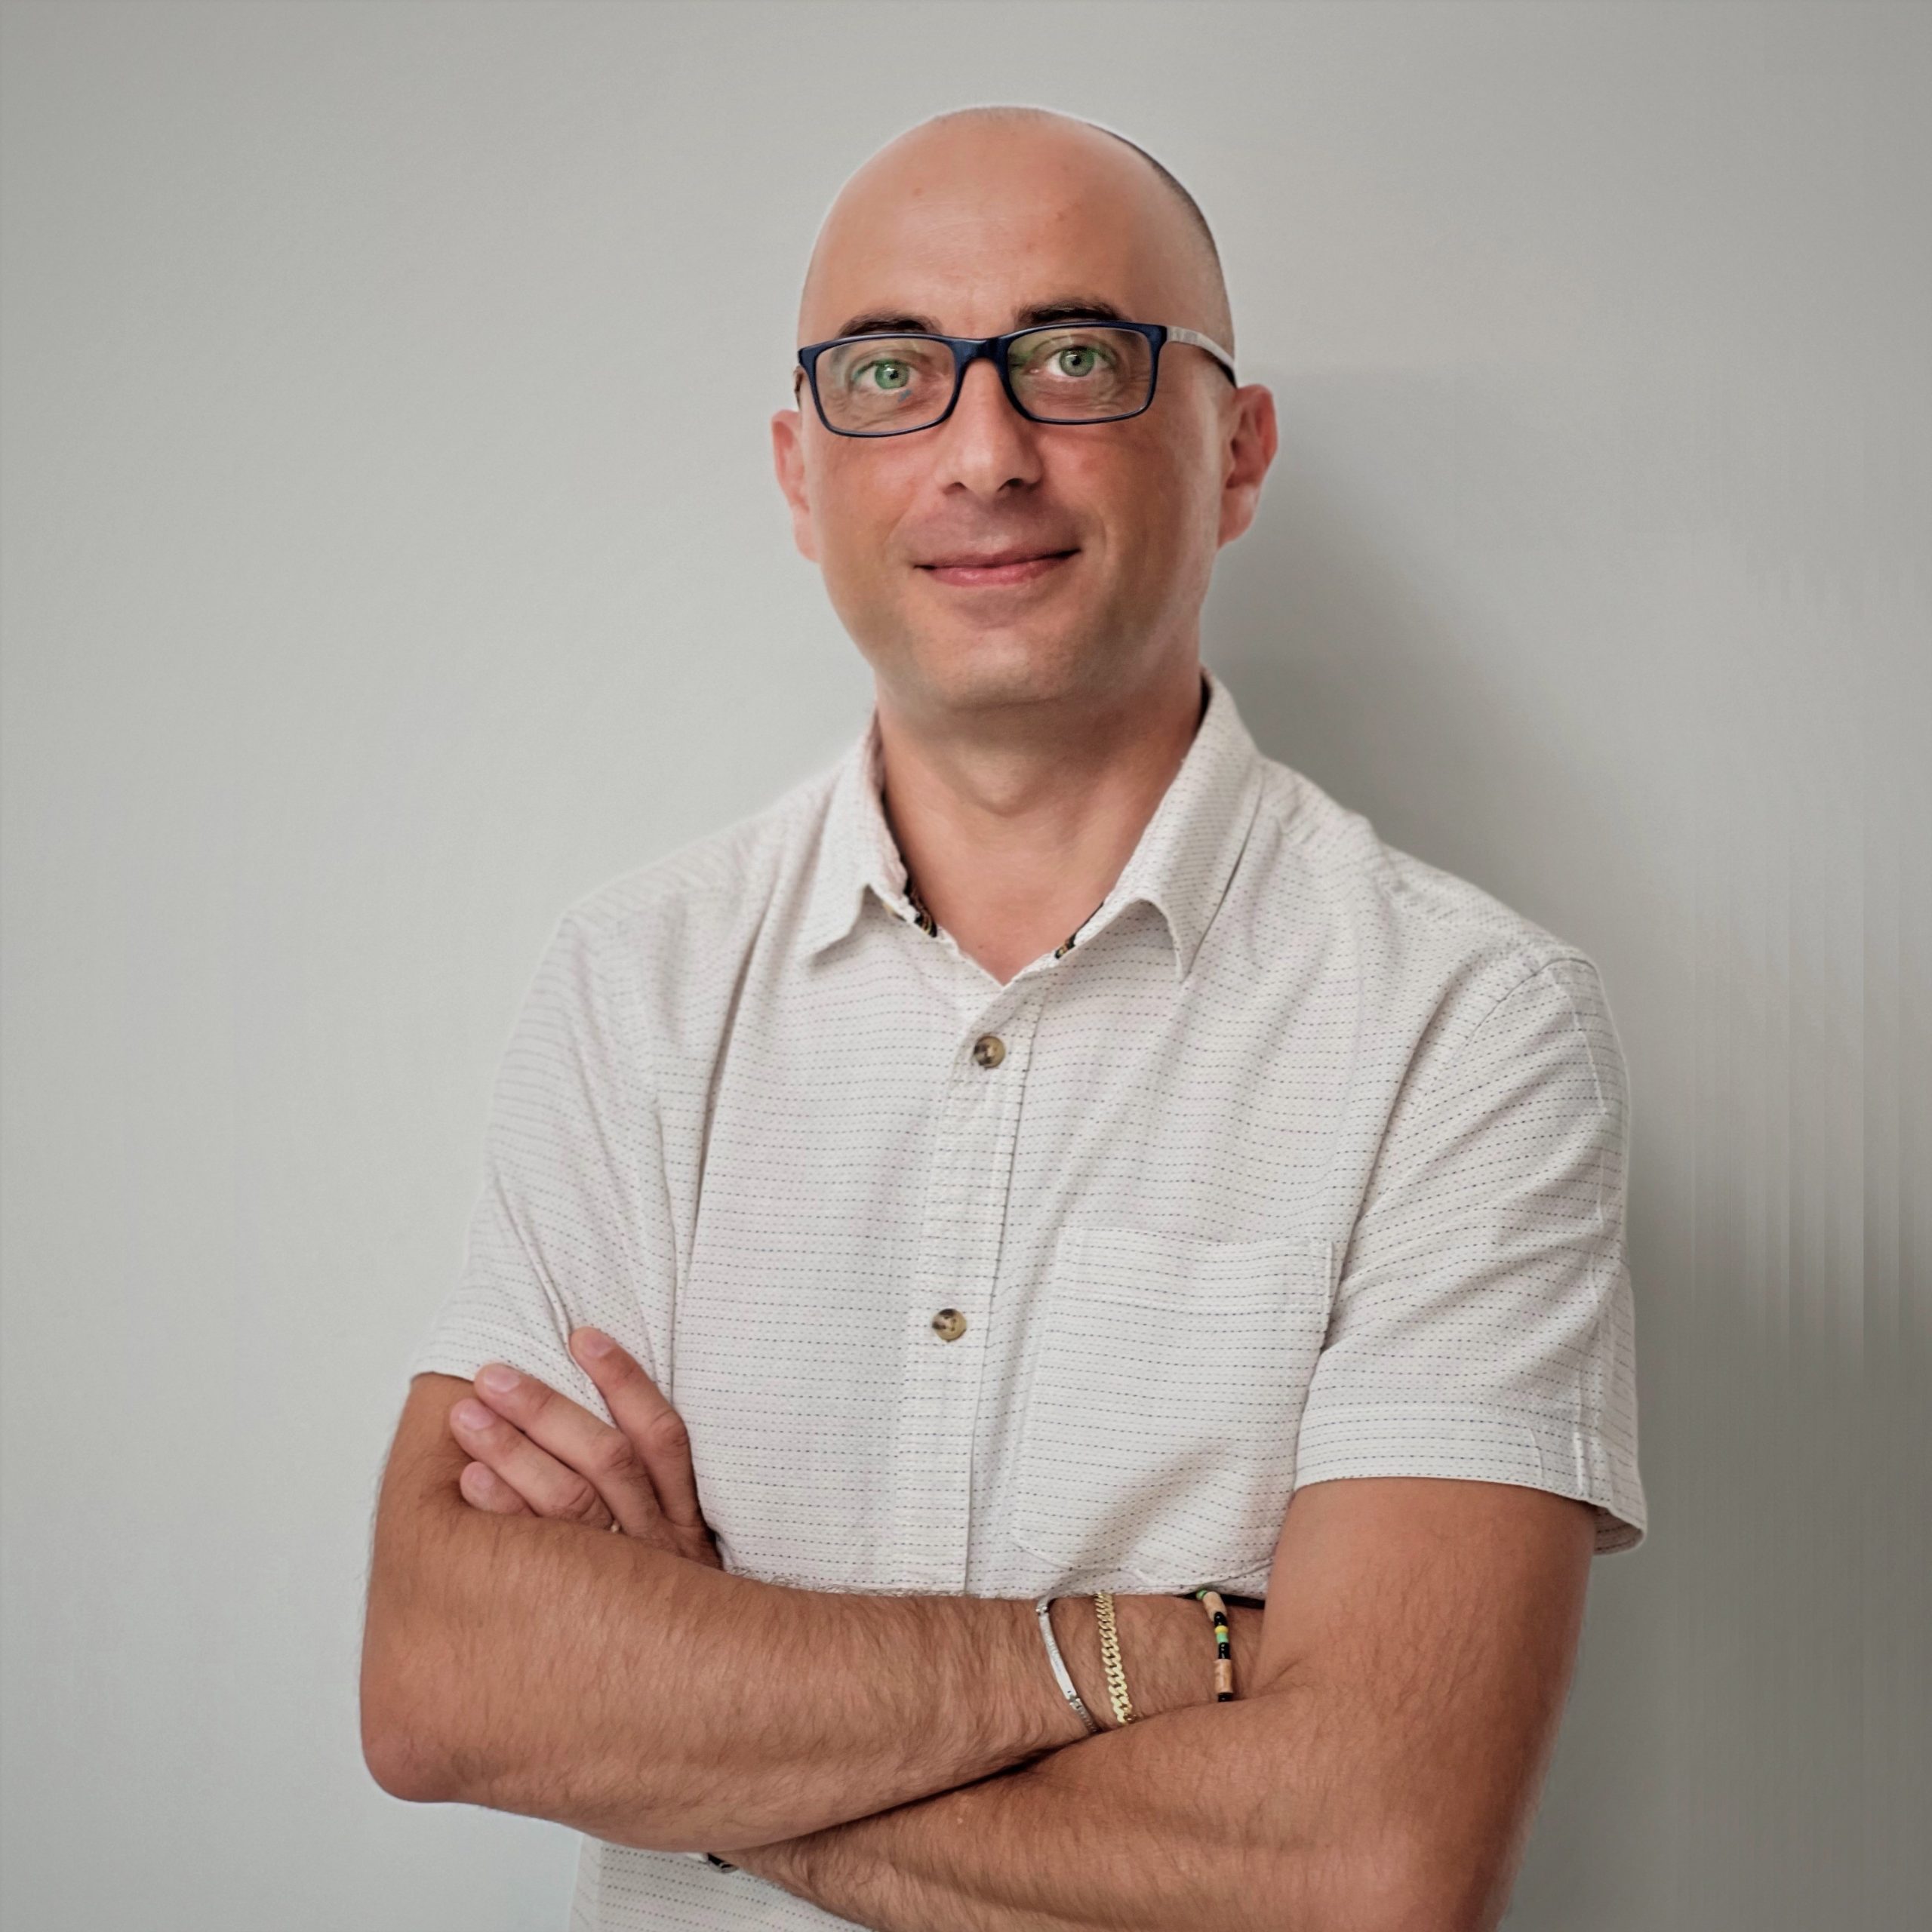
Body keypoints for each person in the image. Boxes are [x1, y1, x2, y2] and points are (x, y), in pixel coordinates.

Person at [360, 103, 1646, 1930]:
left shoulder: (1469, 1031)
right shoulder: (632, 981)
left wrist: (671, 1722)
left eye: (1074, 357)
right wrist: (1129, 1652)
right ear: (800, 473)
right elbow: (440, 1678)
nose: (983, 453)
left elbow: (1367, 1867)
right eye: (891, 372)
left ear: (1236, 448)